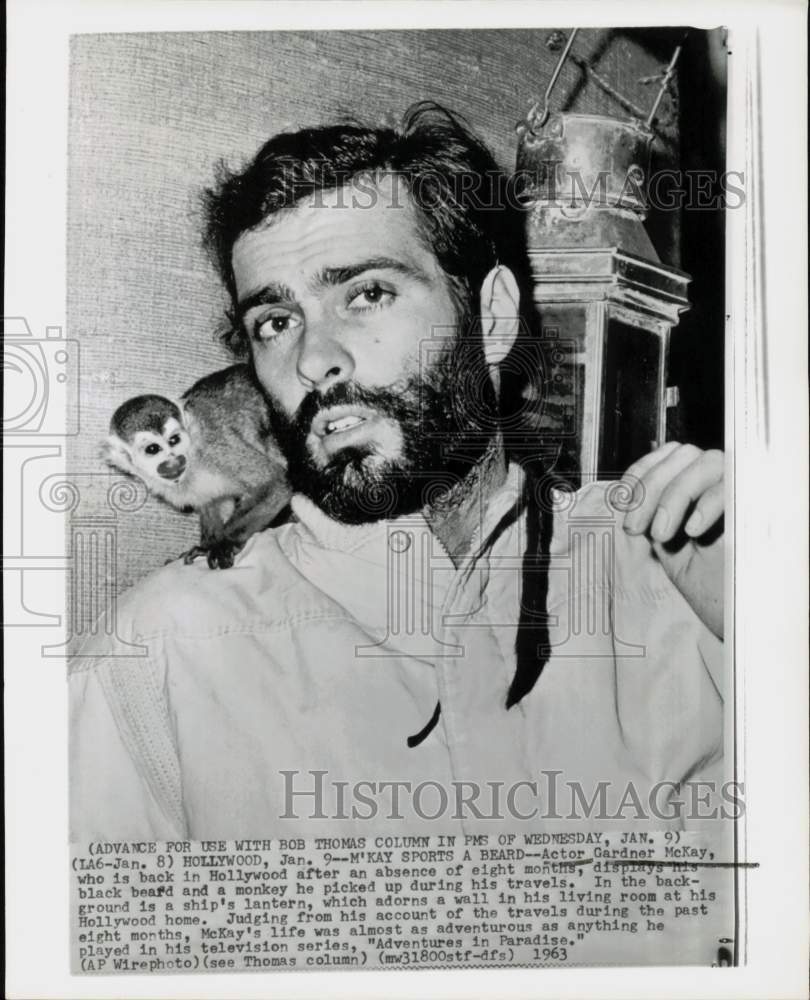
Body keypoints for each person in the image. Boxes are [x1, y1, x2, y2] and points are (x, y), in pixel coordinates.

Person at [69, 104, 725, 841]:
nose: (314, 359)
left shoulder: (677, 576)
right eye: (274, 323)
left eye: (368, 294)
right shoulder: (155, 651)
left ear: (495, 318)